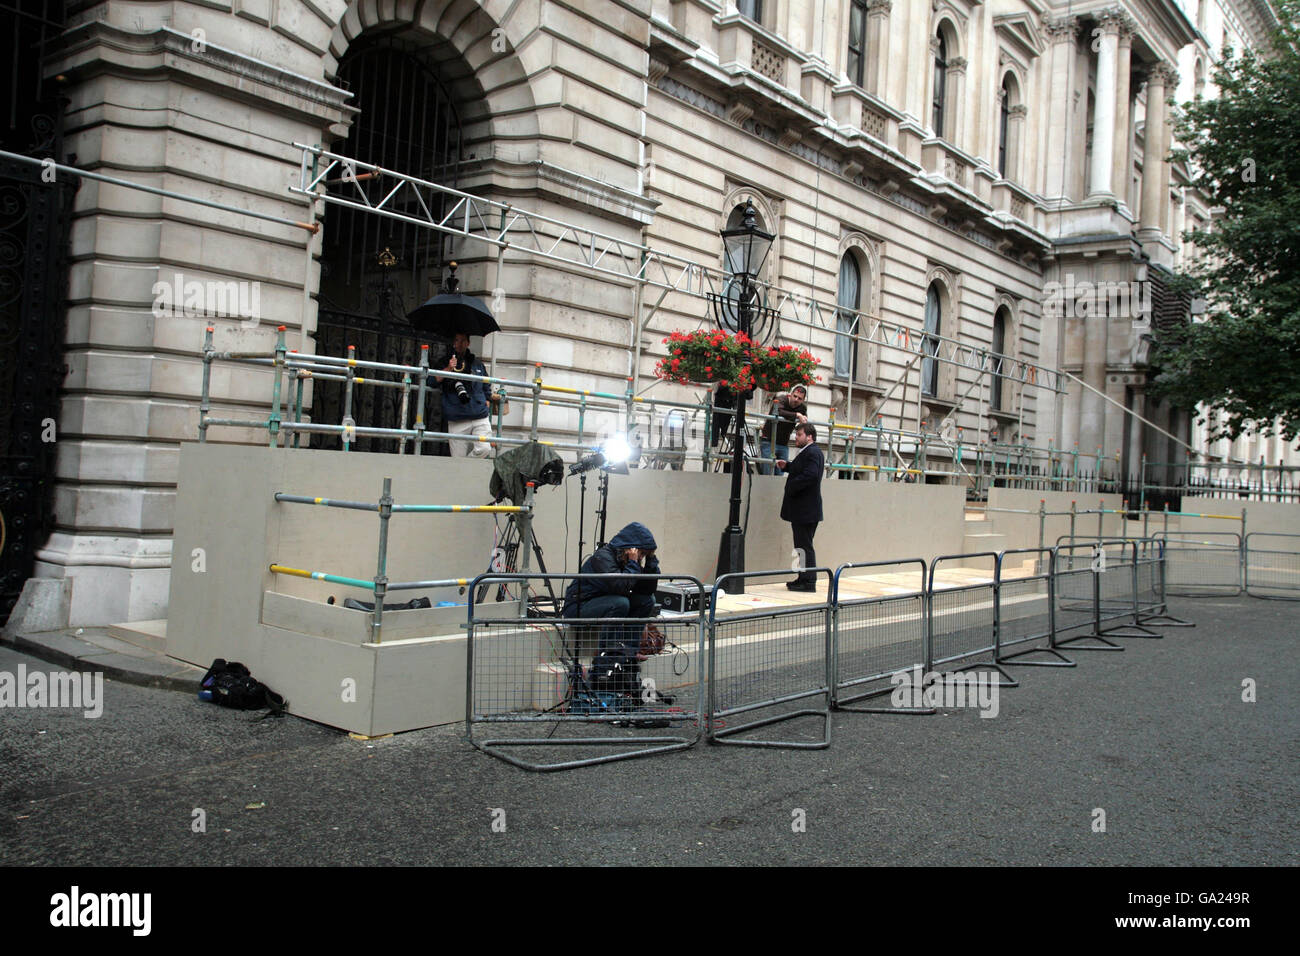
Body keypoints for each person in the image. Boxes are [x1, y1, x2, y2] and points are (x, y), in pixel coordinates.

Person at [561, 522, 665, 699]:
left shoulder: (630, 562)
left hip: (603, 604)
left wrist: (651, 562)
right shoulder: (603, 557)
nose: (640, 557)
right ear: (628, 548)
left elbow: (646, 591)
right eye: (640, 553)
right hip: (578, 607)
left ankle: (629, 651)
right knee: (620, 602)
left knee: (647, 601)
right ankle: (607, 658)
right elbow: (620, 586)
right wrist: (633, 564)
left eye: (643, 554)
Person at [776, 422, 824, 592]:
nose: (796, 437)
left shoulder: (813, 452)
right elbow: (802, 469)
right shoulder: (807, 452)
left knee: (804, 546)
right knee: (801, 546)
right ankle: (802, 577)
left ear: (809, 436)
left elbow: (810, 475)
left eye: (799, 435)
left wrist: (791, 486)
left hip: (806, 510)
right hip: (803, 510)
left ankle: (809, 581)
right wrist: (787, 466)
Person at [435, 331, 496, 458]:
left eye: (463, 341)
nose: (460, 344)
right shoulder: (444, 361)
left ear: (468, 343)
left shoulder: (477, 363)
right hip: (457, 417)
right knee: (458, 459)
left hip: (479, 415)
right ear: (453, 343)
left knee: (484, 448)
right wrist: (449, 368)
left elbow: (486, 384)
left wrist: (486, 400)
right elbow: (432, 381)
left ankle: (466, 467)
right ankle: (463, 472)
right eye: (457, 340)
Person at [759, 384, 809, 475]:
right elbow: (778, 411)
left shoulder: (802, 408)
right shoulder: (781, 399)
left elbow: (804, 424)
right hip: (768, 441)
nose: (796, 399)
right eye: (795, 396)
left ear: (803, 400)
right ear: (790, 394)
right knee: (767, 474)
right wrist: (797, 415)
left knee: (780, 475)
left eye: (799, 398)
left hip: (783, 444)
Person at [710, 382, 753, 473]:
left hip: (733, 401)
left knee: (738, 427)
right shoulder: (723, 388)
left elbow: (749, 394)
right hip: (724, 402)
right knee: (720, 425)